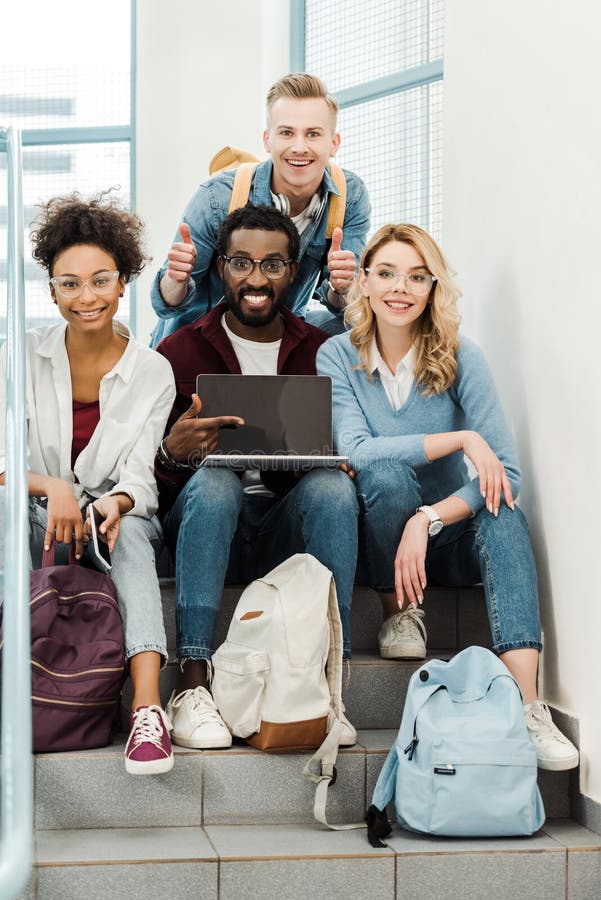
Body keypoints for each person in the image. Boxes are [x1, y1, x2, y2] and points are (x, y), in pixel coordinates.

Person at [316, 223, 579, 771]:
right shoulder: (337, 356)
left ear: (433, 288)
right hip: (381, 538)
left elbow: (504, 472)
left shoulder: (461, 356)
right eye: (386, 273)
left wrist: (429, 518)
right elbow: (358, 451)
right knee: (386, 476)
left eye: (417, 277)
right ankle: (399, 615)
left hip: (445, 533)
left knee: (505, 512)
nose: (400, 288)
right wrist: (458, 439)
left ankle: (529, 707)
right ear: (363, 281)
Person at [154, 204, 358, 749]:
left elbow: (348, 444)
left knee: (336, 490)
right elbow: (149, 481)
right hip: (204, 526)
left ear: (294, 272)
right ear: (222, 267)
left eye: (273, 265)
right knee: (217, 483)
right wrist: (173, 454)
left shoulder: (320, 352)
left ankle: (325, 686)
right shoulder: (179, 351)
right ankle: (193, 684)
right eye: (242, 262)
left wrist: (327, 455)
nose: (256, 278)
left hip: (281, 529)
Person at [0, 192, 176, 775]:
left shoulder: (152, 370)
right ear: (50, 290)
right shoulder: (19, 357)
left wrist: (117, 503)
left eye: (100, 280)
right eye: (69, 284)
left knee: (130, 540)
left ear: (123, 282)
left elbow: (141, 478)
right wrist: (52, 487)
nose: (86, 297)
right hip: (33, 509)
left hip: (111, 519)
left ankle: (147, 711)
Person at [149, 72, 371, 345]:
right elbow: (168, 305)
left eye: (312, 134)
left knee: (355, 333)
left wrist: (343, 286)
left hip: (276, 340)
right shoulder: (217, 198)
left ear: (333, 143)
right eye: (286, 133)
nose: (299, 147)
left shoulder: (349, 197)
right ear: (267, 140)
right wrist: (176, 278)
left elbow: (346, 305)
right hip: (202, 344)